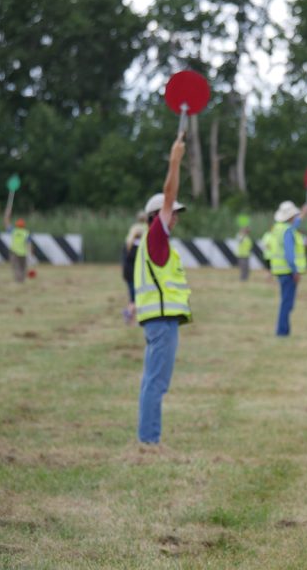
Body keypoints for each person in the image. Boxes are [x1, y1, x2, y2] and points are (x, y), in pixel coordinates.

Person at [134, 132, 192, 446]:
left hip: (159, 319)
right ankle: (149, 441)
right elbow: (169, 196)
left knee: (152, 382)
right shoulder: (156, 235)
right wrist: (175, 161)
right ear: (159, 218)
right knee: (156, 384)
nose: (177, 219)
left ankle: (148, 438)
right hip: (161, 320)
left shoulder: (151, 241)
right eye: (173, 215)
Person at [269, 200, 307, 336]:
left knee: (286, 303)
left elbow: (295, 224)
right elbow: (289, 254)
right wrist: (295, 271)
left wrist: (303, 214)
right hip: (288, 272)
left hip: (281, 271)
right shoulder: (287, 231)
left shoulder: (279, 228)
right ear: (290, 217)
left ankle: (284, 330)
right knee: (287, 304)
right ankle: (282, 332)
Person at [122, 211, 147, 324]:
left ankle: (131, 317)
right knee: (135, 298)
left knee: (133, 297)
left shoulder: (128, 243)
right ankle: (128, 314)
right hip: (134, 275)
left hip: (127, 274)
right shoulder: (137, 246)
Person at [3, 208, 32, 283]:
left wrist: (7, 215)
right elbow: (29, 244)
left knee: (16, 267)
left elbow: (6, 224)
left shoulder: (14, 231)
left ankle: (18, 281)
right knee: (23, 268)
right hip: (23, 253)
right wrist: (30, 253)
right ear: (24, 225)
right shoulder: (26, 233)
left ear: (16, 225)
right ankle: (21, 280)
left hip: (14, 252)